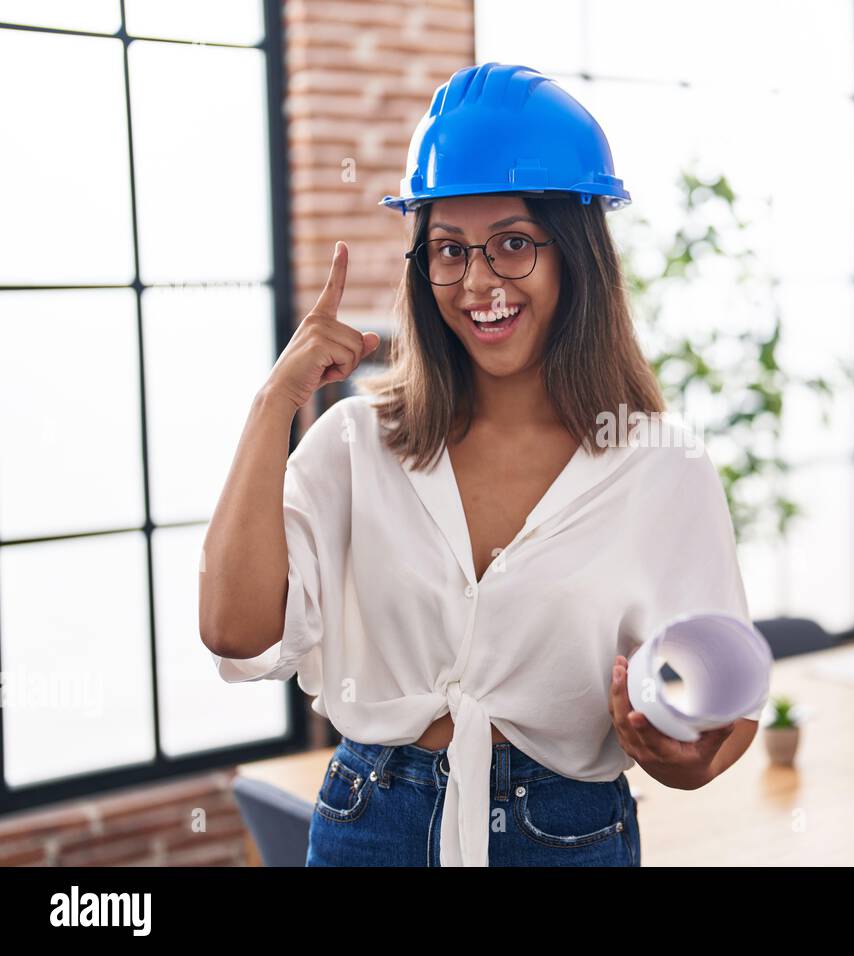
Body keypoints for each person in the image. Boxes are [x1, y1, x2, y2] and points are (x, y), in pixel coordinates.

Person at [199, 63, 761, 867]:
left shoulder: (661, 467)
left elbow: (727, 702)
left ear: (575, 254)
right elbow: (233, 630)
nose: (478, 281)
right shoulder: (357, 444)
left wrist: (691, 759)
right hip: (372, 825)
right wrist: (272, 405)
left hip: (567, 832)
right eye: (448, 250)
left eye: (513, 245)